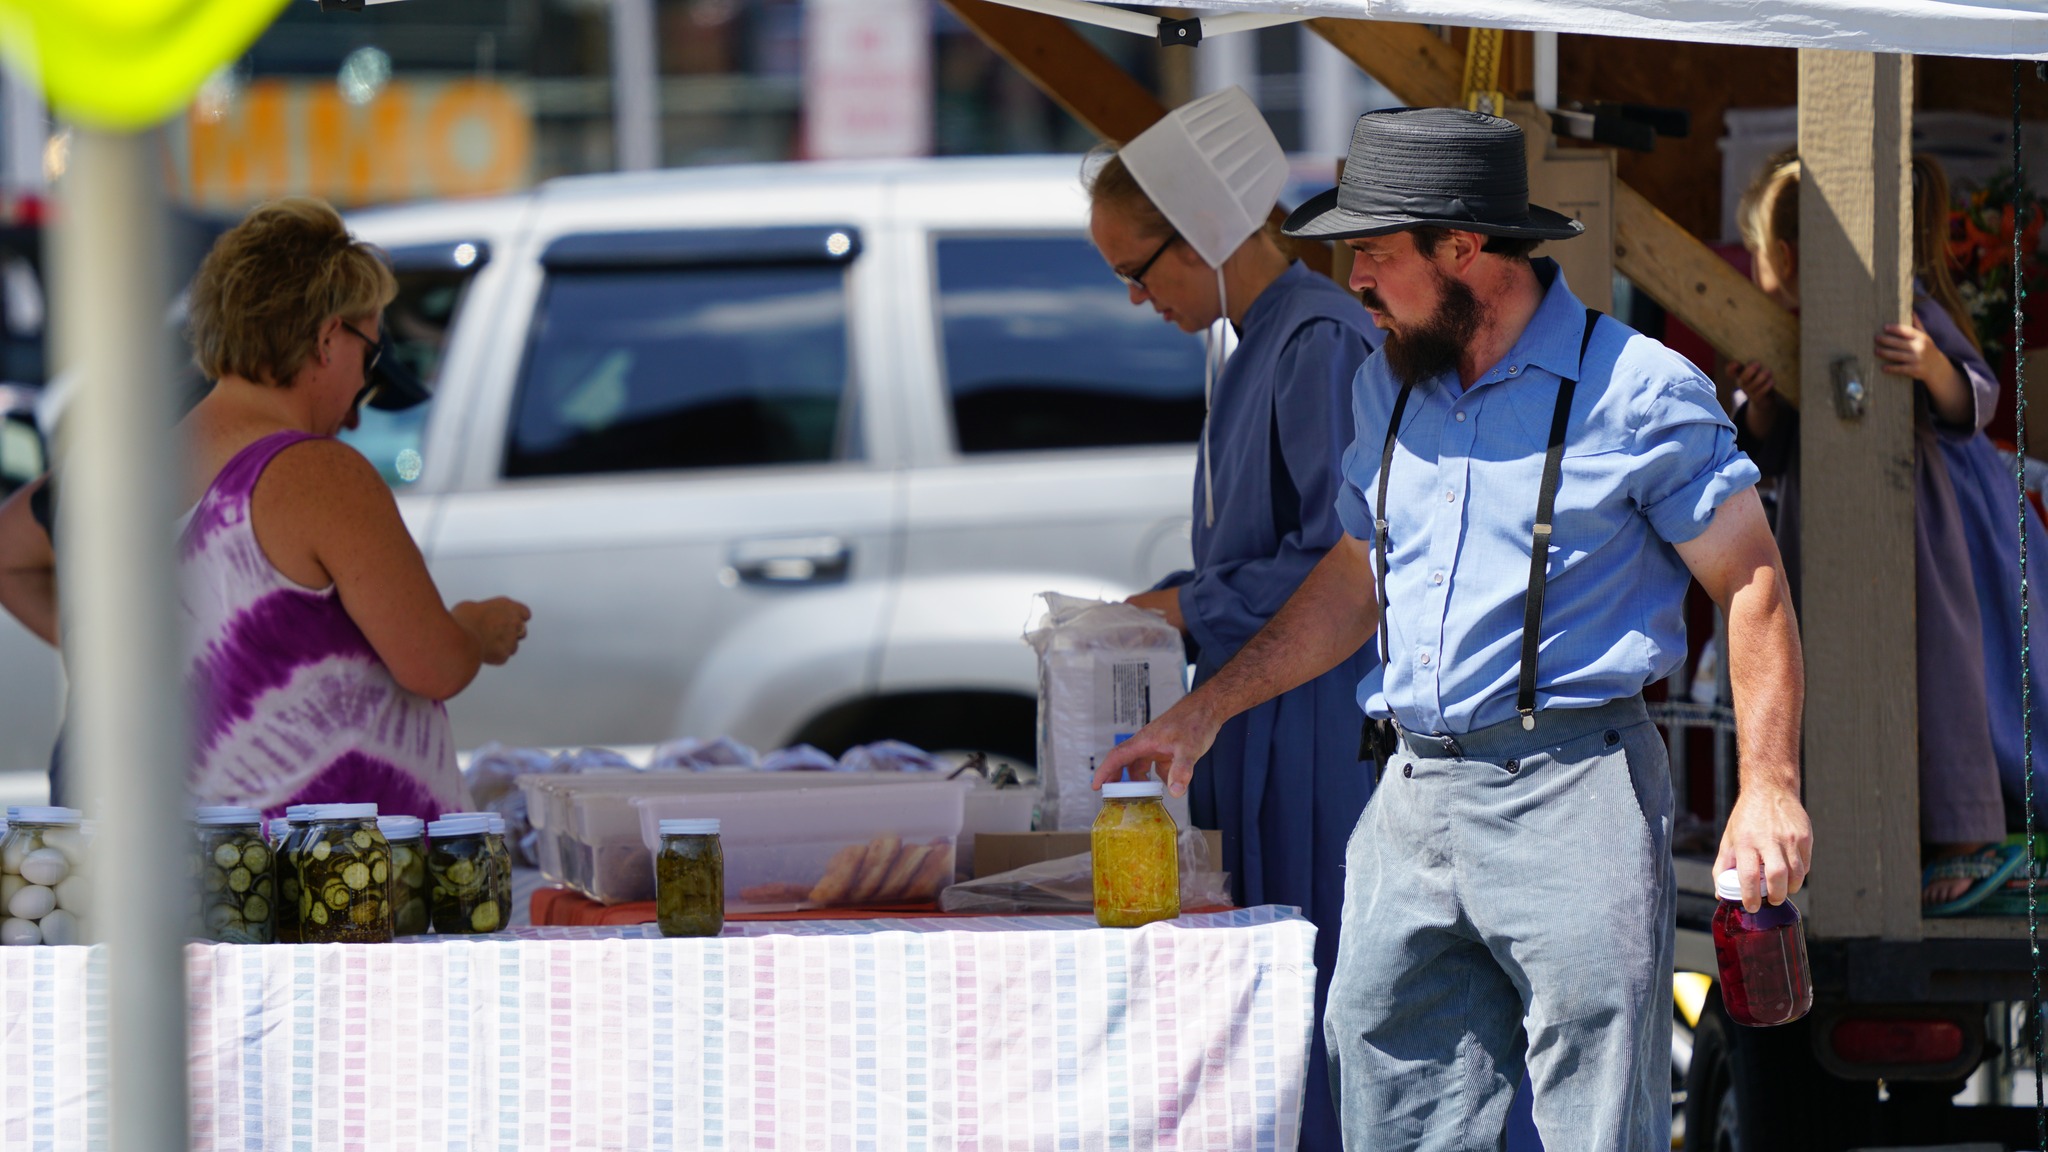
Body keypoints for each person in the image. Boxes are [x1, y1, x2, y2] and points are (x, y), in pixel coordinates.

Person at [1097, 107, 1810, 1147]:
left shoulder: (1639, 389)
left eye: (1375, 254)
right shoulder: (1383, 385)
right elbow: (1352, 578)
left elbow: (1748, 582)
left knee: (1588, 1110)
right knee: (1380, 1074)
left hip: (1573, 789)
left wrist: (1768, 788)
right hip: (1409, 796)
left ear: (1463, 250)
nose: (1355, 283)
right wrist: (1205, 712)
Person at [1085, 86, 1381, 1151]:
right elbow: (1263, 548)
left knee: (1316, 989)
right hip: (1261, 719)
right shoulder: (1252, 340)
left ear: (1205, 229)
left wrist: (1188, 604)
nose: (1134, 298)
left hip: (1314, 722)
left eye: (1137, 269)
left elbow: (1339, 562)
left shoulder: (1318, 341)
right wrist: (1167, 600)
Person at [1734, 152, 2029, 912]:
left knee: (1941, 672)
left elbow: (1975, 401)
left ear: (1786, 254)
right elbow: (1763, 449)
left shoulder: (1903, 310)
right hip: (1823, 532)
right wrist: (1761, 405)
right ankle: (1856, 831)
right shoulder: (1791, 332)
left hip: (1919, 527)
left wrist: (1930, 365)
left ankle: (1964, 837)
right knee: (1830, 677)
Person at [173, 197, 528, 818]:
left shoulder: (145, 466)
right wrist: (473, 628)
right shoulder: (313, 471)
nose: (363, 386)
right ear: (328, 337)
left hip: (210, 871)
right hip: (338, 886)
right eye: (370, 351)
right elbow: (433, 664)